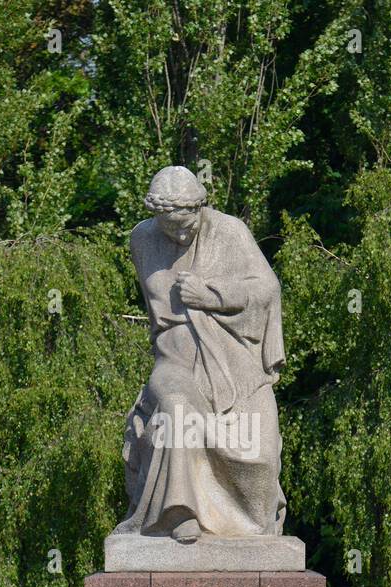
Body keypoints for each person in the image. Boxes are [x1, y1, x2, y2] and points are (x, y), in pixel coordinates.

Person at [114, 165, 288, 542]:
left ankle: (249, 522)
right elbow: (156, 314)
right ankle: (180, 513)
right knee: (176, 406)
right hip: (173, 361)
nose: (179, 234)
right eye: (169, 225)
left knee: (258, 457)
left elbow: (267, 290)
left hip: (233, 362)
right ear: (155, 216)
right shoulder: (142, 239)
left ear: (200, 208)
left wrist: (212, 297)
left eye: (186, 224)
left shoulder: (228, 231)